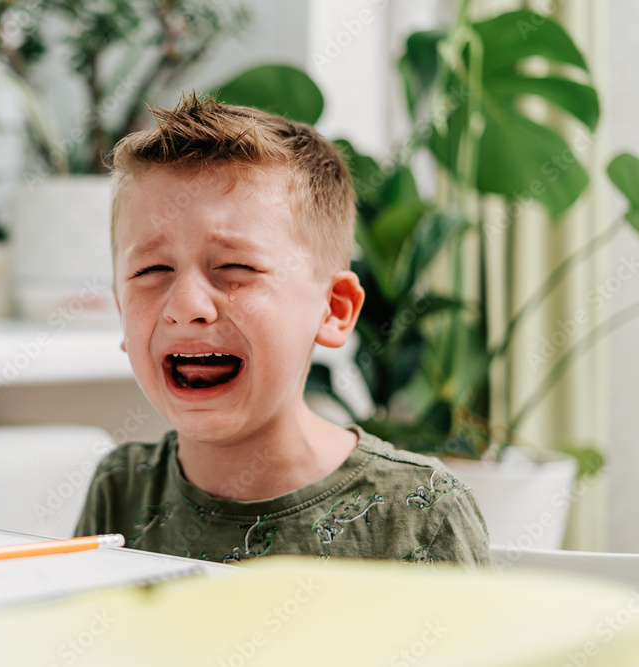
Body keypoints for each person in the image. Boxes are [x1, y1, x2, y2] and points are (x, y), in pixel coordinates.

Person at [74, 93, 490, 567]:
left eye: (234, 266)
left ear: (334, 309)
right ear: (120, 307)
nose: (186, 307)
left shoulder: (421, 514)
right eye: (151, 271)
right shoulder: (119, 489)